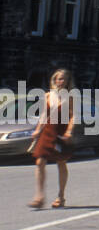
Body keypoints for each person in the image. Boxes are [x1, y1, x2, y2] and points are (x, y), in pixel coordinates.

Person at [29, 68, 77, 209]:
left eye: (63, 79)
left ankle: (61, 196)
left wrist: (69, 132)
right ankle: (39, 196)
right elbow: (44, 115)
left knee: (61, 162)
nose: (60, 81)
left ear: (68, 81)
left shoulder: (71, 97)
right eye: (57, 78)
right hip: (48, 131)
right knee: (40, 161)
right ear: (54, 80)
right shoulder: (48, 95)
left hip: (61, 132)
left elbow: (74, 116)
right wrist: (37, 131)